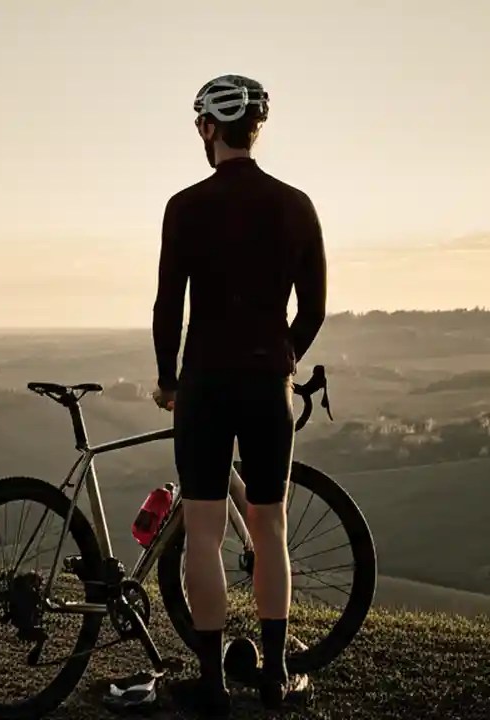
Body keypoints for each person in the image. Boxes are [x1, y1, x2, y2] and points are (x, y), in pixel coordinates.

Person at [152, 74, 327, 716]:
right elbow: (313, 310)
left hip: (205, 379)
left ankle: (212, 684)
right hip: (265, 379)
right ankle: (277, 678)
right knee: (270, 524)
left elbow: (169, 304)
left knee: (203, 531)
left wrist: (168, 379)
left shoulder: (185, 206)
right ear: (258, 129)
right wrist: (284, 359)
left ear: (207, 129)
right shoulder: (296, 204)